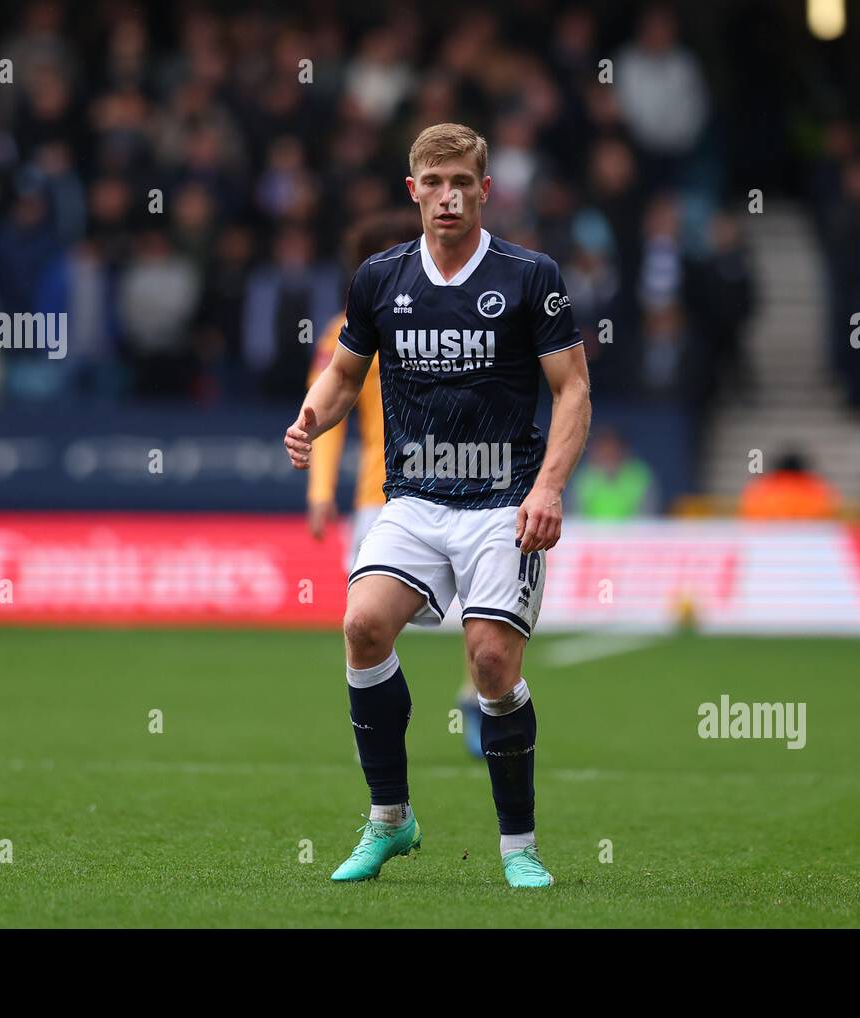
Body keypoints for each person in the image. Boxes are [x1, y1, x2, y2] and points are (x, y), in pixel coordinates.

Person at [285, 123, 591, 888]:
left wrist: (550, 486)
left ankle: (518, 848)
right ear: (412, 190)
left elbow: (573, 389)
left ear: (485, 191)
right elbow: (344, 373)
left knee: (490, 663)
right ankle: (391, 819)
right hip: (415, 498)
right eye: (434, 182)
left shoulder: (530, 276)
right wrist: (311, 415)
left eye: (462, 182)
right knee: (361, 625)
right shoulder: (380, 278)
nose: (448, 196)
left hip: (503, 501)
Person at [305, 209, 486, 760]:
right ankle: (379, 726)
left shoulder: (450, 317)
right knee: (367, 621)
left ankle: (475, 697)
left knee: (481, 606)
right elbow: (324, 413)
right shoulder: (343, 333)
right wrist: (318, 492)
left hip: (459, 485)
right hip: (377, 497)